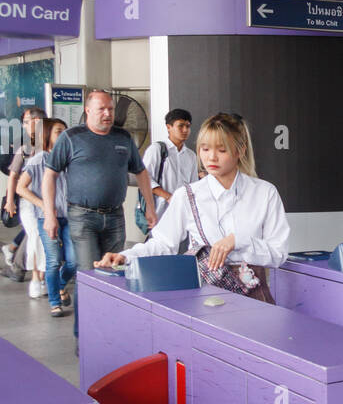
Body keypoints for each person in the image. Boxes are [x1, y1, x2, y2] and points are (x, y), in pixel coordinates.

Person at [95, 112, 290, 302]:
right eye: (205, 149)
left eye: (221, 150)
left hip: (253, 295)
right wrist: (125, 256)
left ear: (240, 150)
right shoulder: (188, 196)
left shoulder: (264, 192)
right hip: (205, 295)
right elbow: (163, 244)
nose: (211, 158)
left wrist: (238, 240)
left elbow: (278, 254)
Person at [43, 89, 157, 339]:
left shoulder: (123, 138)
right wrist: (50, 214)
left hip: (115, 217)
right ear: (87, 110)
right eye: (101, 109)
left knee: (116, 274)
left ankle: (111, 335)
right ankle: (84, 338)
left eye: (111, 109)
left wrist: (150, 206)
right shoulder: (71, 138)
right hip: (82, 217)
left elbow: (141, 172)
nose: (107, 114)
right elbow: (50, 174)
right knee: (89, 275)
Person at [17, 119, 75, 317]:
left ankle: (58, 284)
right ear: (48, 134)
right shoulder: (38, 159)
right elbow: (20, 188)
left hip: (70, 217)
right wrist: (44, 206)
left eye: (65, 131)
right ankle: (54, 302)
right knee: (53, 260)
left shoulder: (70, 158)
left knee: (73, 260)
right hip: (46, 218)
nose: (63, 135)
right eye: (59, 131)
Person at [4, 106, 47, 294]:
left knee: (44, 239)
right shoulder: (24, 149)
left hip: (50, 201)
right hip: (29, 202)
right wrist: (10, 200)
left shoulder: (50, 147)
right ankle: (36, 278)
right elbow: (13, 176)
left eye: (28, 122)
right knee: (36, 236)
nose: (26, 126)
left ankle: (42, 276)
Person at [142, 108, 198, 222]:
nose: (185, 130)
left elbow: (193, 184)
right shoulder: (157, 149)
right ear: (169, 127)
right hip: (159, 210)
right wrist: (168, 197)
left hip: (183, 211)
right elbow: (145, 179)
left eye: (188, 126)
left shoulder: (191, 155)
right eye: (181, 126)